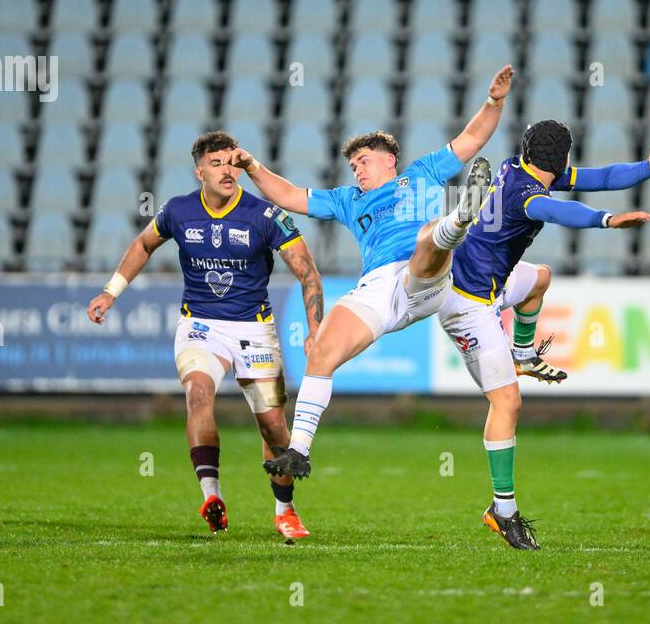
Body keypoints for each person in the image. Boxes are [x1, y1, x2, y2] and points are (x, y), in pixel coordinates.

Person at [230, 65, 514, 480]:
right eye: (353, 165)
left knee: (427, 241)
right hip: (378, 287)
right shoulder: (348, 199)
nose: (357, 171)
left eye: (363, 162)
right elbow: (289, 195)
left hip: (425, 280)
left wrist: (494, 101)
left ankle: (459, 219)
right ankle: (299, 452)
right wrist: (253, 165)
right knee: (323, 349)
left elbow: (473, 138)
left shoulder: (424, 173)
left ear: (390, 160)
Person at [438, 119, 650, 549]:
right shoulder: (528, 195)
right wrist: (608, 221)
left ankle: (524, 352)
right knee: (507, 402)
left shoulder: (519, 168)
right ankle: (503, 511)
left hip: (488, 285)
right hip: (467, 305)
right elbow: (559, 211)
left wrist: (648, 168)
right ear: (562, 157)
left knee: (541, 278)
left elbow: (600, 178)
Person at [87, 131, 324, 541]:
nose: (227, 170)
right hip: (200, 325)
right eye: (216, 164)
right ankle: (211, 496)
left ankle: (285, 511)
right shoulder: (178, 211)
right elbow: (144, 245)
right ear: (200, 172)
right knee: (198, 394)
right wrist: (111, 291)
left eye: (232, 162)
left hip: (254, 327)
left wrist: (315, 328)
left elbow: (306, 269)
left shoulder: (265, 216)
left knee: (272, 426)